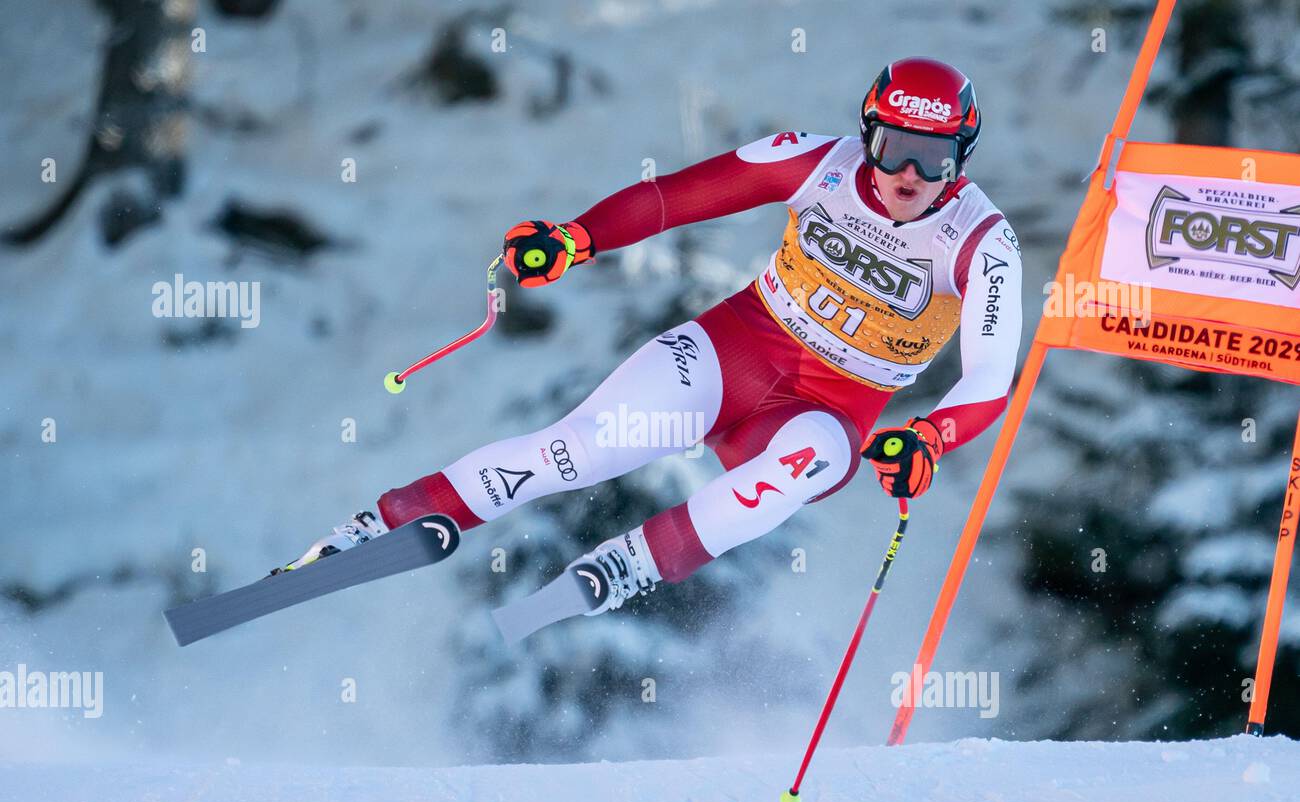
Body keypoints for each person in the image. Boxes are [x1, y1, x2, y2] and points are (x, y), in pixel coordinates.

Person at [279, 56, 1024, 630]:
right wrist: (577, 237)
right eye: (894, 149)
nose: (908, 175)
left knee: (818, 463)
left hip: (825, 409)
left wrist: (928, 435)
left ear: (963, 155)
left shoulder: (982, 243)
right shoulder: (815, 164)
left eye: (934, 158)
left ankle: (629, 565)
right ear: (869, 135)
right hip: (734, 351)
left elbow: (990, 378)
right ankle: (379, 526)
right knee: (576, 451)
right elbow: (678, 195)